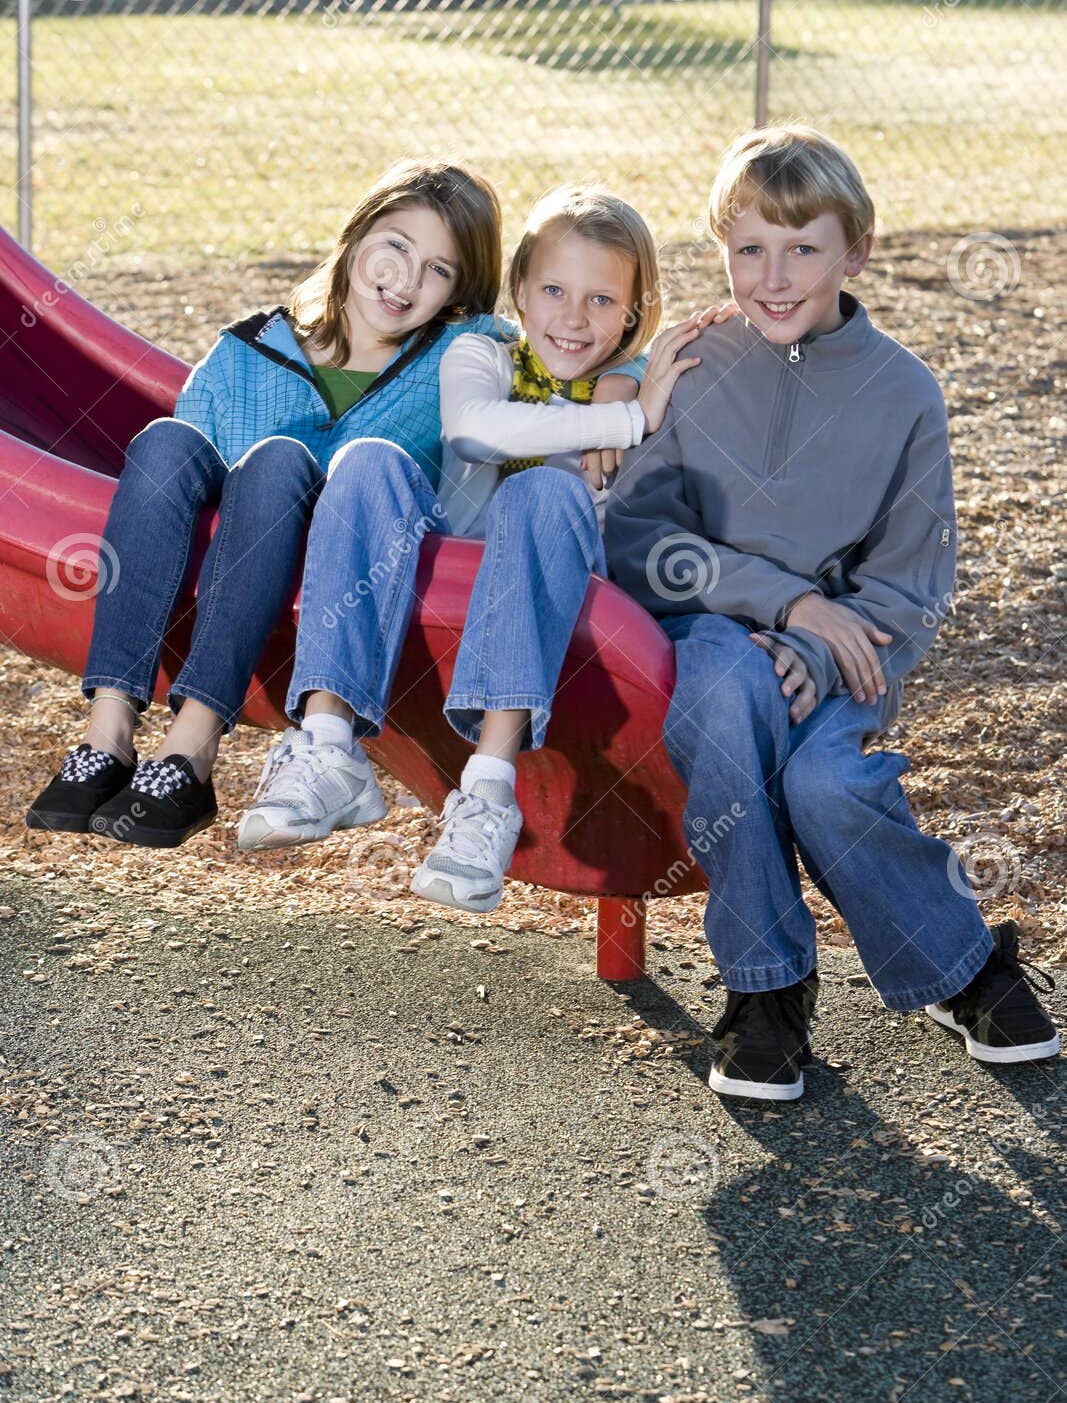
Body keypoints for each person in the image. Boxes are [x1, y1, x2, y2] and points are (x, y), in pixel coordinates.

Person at [604, 124, 1060, 1100]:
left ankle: (962, 964)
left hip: (843, 664)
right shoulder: (687, 364)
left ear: (854, 251)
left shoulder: (902, 393)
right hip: (706, 638)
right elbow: (639, 542)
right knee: (724, 693)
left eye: (801, 247)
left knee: (822, 788)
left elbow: (908, 583)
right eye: (747, 248)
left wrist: (820, 637)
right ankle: (766, 989)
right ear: (718, 246)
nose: (771, 276)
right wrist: (784, 600)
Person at [238, 186, 753, 914]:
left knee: (540, 491)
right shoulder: (482, 353)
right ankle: (326, 743)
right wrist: (619, 421)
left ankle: (486, 793)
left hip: (558, 615)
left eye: (602, 301)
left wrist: (628, 402)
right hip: (434, 587)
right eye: (552, 290)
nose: (573, 319)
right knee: (368, 461)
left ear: (635, 313)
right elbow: (474, 431)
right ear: (517, 290)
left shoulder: (633, 382)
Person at [26, 160, 504, 846]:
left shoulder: (459, 357)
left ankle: (191, 749)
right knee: (164, 440)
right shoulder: (249, 350)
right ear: (356, 235)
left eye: (439, 270)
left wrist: (616, 396)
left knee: (280, 457)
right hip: (233, 554)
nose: (405, 280)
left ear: (460, 293)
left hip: (345, 568)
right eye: (395, 246)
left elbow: (556, 351)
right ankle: (109, 731)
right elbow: (189, 472)